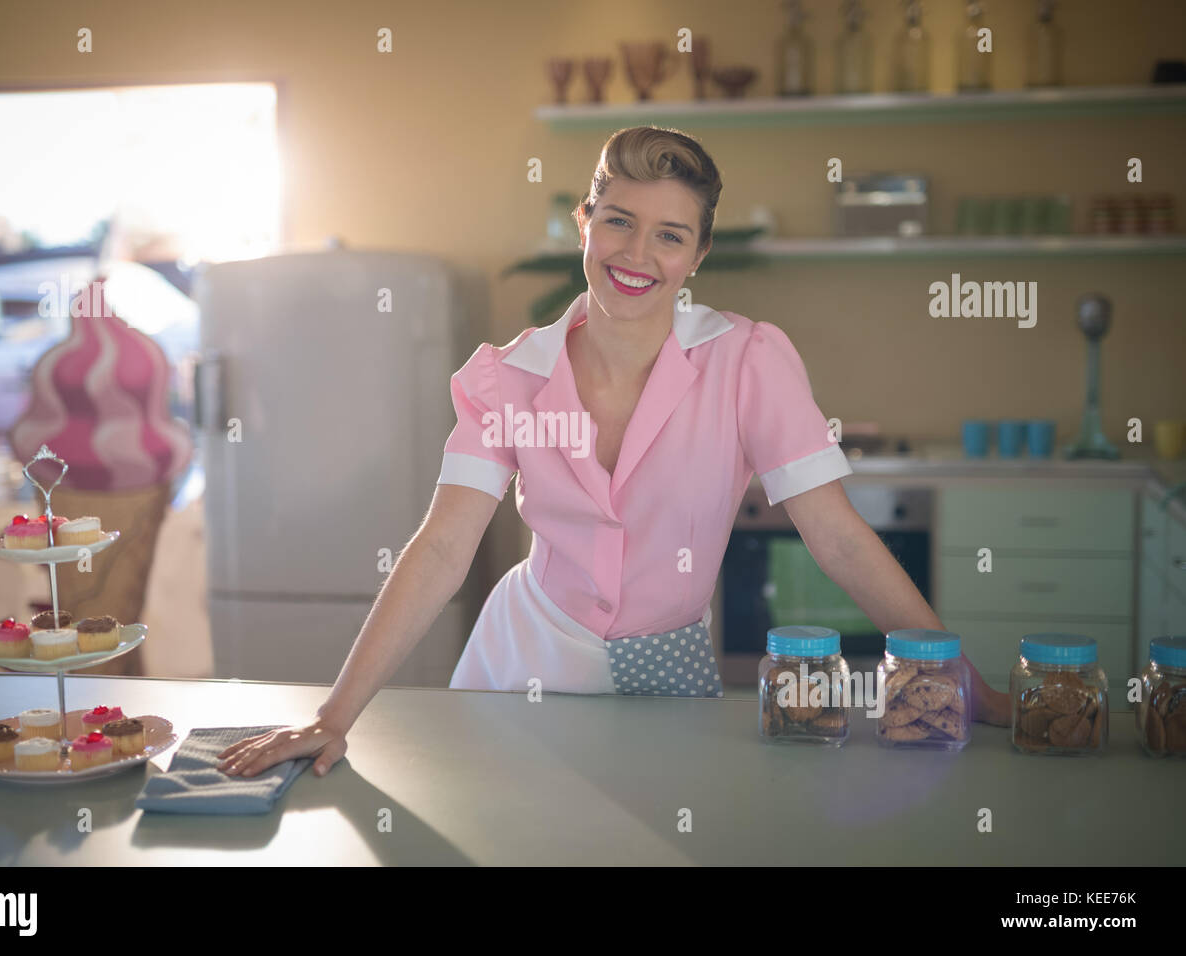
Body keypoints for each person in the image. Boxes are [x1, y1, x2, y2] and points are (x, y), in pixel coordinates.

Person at [218, 126, 1011, 779]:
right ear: (585, 223)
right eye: (619, 221)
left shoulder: (746, 363)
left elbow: (837, 536)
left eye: (670, 236)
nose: (637, 254)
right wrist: (332, 715)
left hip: (662, 667)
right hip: (517, 661)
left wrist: (957, 679)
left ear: (697, 257)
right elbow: (443, 547)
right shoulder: (508, 378)